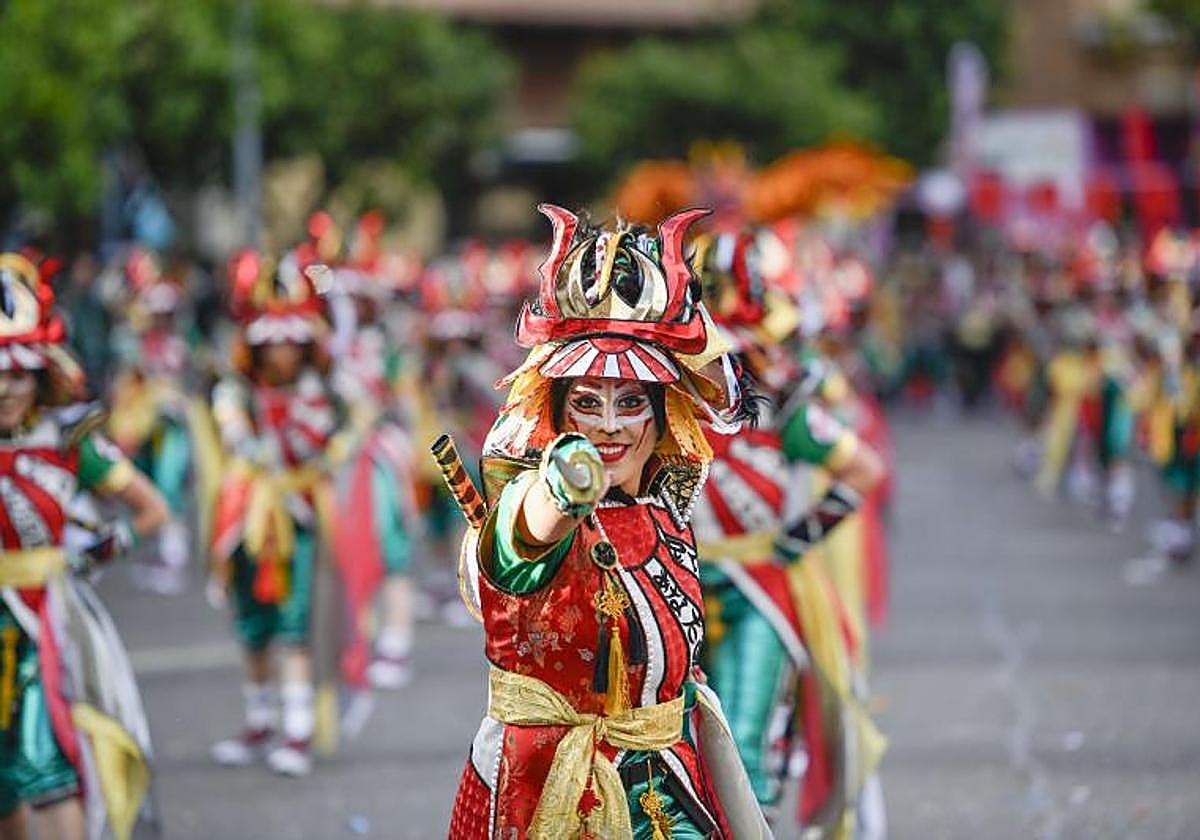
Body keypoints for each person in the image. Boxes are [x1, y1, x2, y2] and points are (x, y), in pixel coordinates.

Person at [446, 206, 771, 839]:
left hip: (671, 781)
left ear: (662, 416)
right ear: (558, 413)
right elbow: (523, 534)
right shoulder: (530, 499)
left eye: (630, 403)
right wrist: (564, 487)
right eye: (588, 404)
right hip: (551, 789)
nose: (610, 425)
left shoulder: (663, 505)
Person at [689, 230, 886, 833]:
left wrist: (791, 542)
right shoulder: (654, 397)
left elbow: (862, 470)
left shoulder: (783, 392)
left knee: (745, 753)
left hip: (759, 594)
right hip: (670, 590)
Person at [0, 253, 168, 840]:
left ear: (41, 373)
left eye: (17, 373)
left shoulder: (69, 439)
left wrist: (88, 557)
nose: (5, 388)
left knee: (53, 770)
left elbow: (151, 509)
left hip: (48, 629)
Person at [207, 251, 345, 777]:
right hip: (247, 515)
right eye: (271, 341)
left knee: (294, 625)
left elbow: (316, 444)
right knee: (252, 624)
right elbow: (232, 435)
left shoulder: (320, 394)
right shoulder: (236, 391)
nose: (282, 351)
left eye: (292, 340)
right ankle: (260, 720)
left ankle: (297, 728)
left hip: (300, 517)